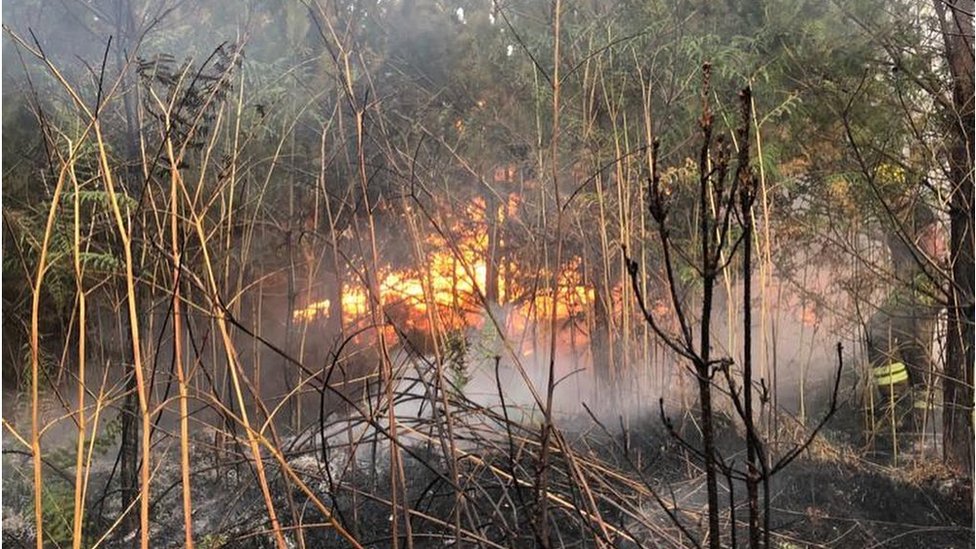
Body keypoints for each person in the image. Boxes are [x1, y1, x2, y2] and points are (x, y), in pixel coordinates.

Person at [865, 195, 944, 430]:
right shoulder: (896, 220)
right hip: (910, 290)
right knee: (881, 332)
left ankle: (916, 422)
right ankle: (900, 406)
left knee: (915, 353)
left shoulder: (917, 214)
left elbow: (935, 247)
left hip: (925, 286)